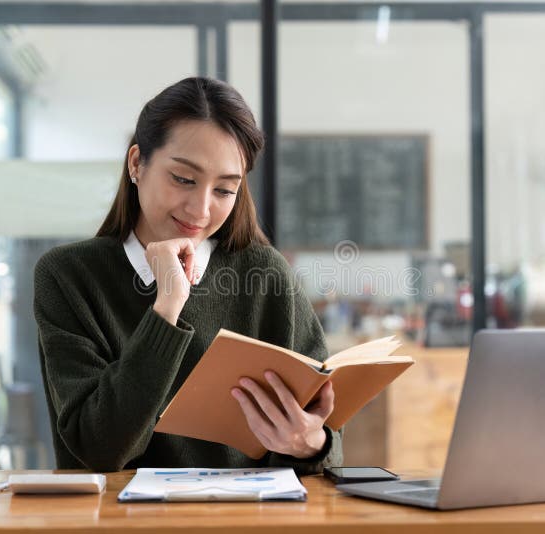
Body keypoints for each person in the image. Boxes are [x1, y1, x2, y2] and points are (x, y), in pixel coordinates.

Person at [33, 77, 343, 474]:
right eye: (183, 179)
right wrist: (167, 307)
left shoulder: (264, 274)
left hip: (245, 518)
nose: (200, 210)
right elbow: (99, 448)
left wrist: (310, 443)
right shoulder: (68, 276)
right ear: (136, 164)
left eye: (224, 190)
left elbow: (327, 437)